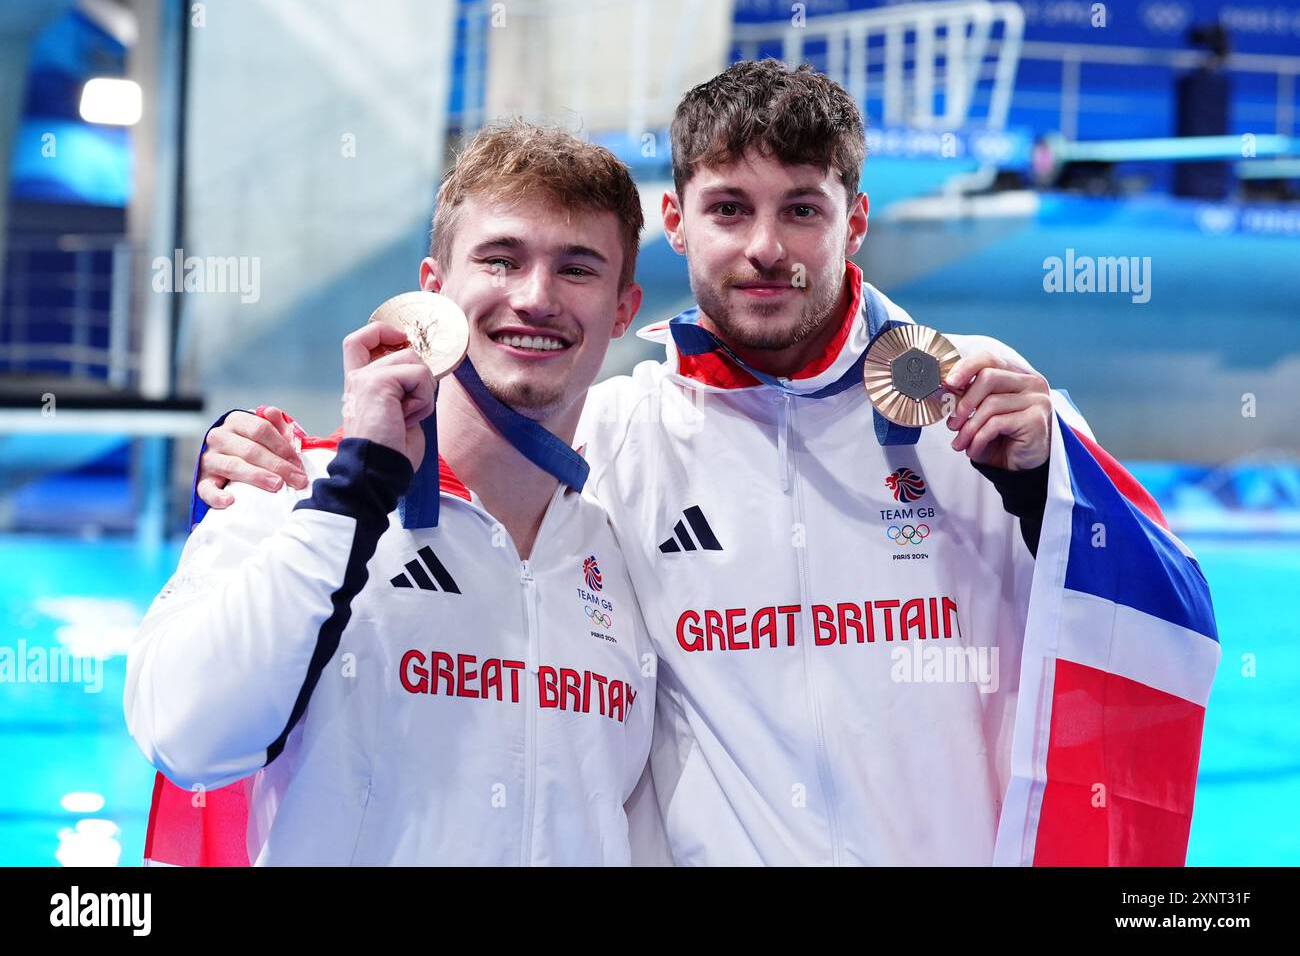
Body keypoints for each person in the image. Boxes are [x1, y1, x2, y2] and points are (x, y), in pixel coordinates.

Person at [195, 61, 1219, 866]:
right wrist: (267, 458)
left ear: (853, 221)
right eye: (729, 208)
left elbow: (1165, 617)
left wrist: (1049, 481)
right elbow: (456, 462)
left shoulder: (984, 414)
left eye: (803, 209)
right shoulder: (610, 436)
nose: (765, 246)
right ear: (677, 225)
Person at [125, 121, 661, 865]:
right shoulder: (289, 490)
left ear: (624, 308)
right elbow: (185, 734)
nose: (536, 297)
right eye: (500, 260)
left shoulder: (622, 553)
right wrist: (354, 494)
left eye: (578, 269)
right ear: (433, 291)